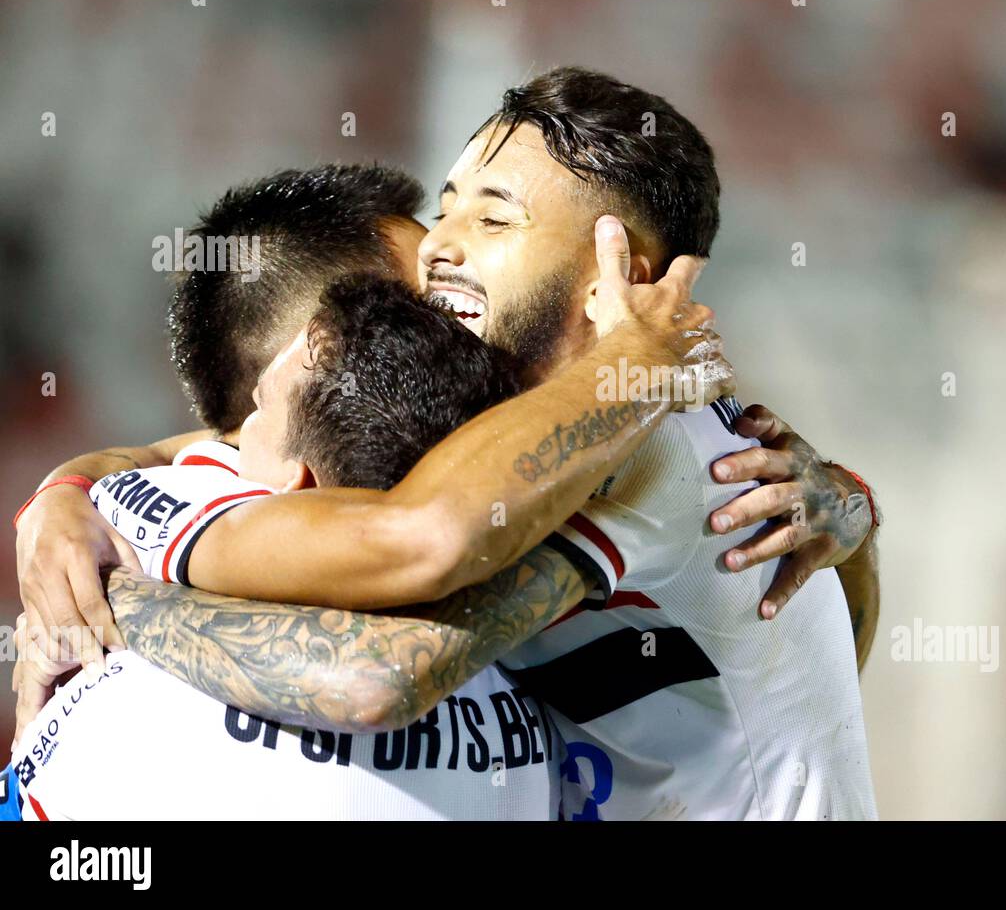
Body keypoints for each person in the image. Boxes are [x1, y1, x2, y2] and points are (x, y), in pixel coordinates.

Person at [15, 69, 882, 820]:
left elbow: (382, 672)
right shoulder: (506, 424)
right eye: (447, 209)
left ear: (623, 282)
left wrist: (110, 606)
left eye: (495, 223)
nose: (441, 249)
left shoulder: (635, 446)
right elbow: (213, 443)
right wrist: (63, 494)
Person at [8, 270, 724, 819]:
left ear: (298, 477)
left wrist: (111, 596)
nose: (224, 438)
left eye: (255, 409)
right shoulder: (524, 686)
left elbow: (375, 672)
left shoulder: (185, 518)